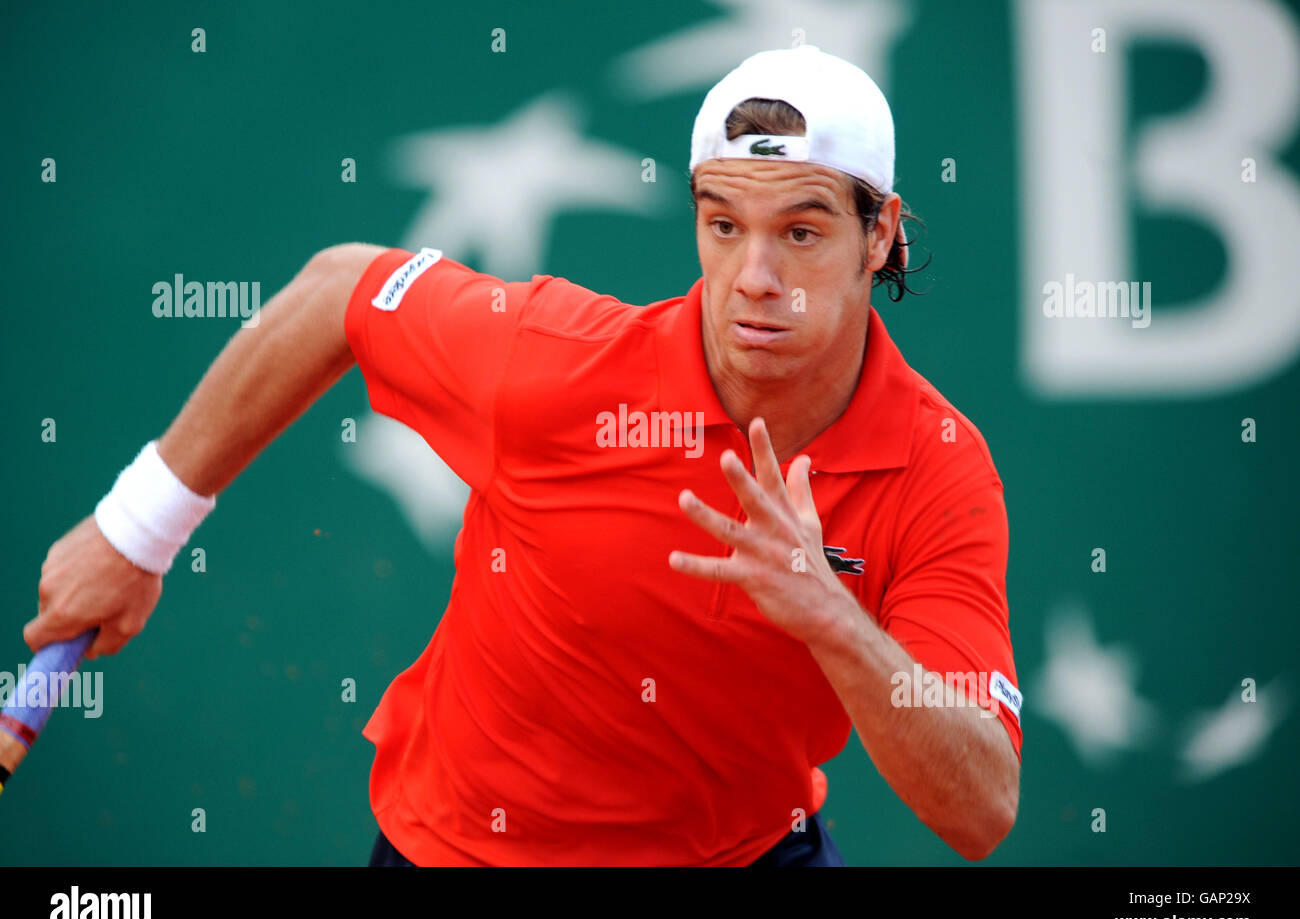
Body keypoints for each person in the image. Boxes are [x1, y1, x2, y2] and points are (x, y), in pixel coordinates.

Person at [25, 45, 1021, 866]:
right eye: (723, 225)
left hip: (749, 851)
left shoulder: (937, 468)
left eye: (801, 231)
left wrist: (828, 617)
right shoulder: (553, 363)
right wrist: (136, 528)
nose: (753, 278)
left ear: (879, 233)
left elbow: (979, 807)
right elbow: (338, 292)